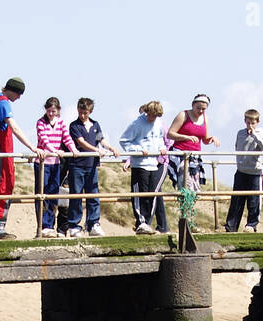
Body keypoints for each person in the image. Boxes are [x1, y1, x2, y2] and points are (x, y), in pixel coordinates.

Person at [0, 77, 49, 240]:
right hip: (0, 153)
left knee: (2, 187)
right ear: (12, 90)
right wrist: (32, 147)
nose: (19, 98)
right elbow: (14, 127)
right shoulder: (3, 103)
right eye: (18, 93)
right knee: (2, 187)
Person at [65, 97, 122, 238]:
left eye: (85, 112)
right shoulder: (74, 126)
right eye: (80, 112)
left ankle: (93, 224)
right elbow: (81, 143)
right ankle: (74, 225)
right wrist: (96, 150)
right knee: (76, 196)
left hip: (91, 165)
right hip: (77, 165)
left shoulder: (95, 124)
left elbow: (101, 140)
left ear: (90, 112)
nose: (82, 115)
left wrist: (111, 148)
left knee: (94, 195)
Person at [119, 100, 169, 234]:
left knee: (152, 194)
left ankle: (147, 223)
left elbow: (160, 139)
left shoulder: (158, 123)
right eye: (151, 115)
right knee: (140, 193)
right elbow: (124, 140)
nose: (153, 119)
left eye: (155, 116)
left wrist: (162, 148)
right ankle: (141, 222)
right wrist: (138, 149)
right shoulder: (137, 124)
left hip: (154, 163)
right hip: (140, 164)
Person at [165, 93, 220, 202]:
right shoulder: (183, 115)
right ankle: (185, 211)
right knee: (186, 184)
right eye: (198, 108)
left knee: (195, 187)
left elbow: (204, 139)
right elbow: (170, 134)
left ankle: (188, 212)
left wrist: (211, 139)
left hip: (195, 157)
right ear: (193, 105)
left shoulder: (205, 118)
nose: (200, 111)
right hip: (180, 154)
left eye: (203, 109)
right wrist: (186, 137)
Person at [33, 98, 73, 236]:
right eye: (49, 111)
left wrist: (73, 150)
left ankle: (50, 224)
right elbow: (44, 140)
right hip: (43, 163)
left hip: (55, 163)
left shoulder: (61, 123)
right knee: (42, 194)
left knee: (53, 194)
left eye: (53, 111)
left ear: (58, 111)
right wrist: (54, 151)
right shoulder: (41, 122)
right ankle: (43, 225)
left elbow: (66, 138)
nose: (51, 113)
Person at [225, 109, 263, 232]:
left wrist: (255, 135)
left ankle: (252, 224)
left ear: (257, 122)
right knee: (237, 200)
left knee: (254, 200)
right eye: (248, 122)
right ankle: (231, 226)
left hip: (254, 172)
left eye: (252, 123)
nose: (250, 125)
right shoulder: (240, 133)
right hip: (241, 170)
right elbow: (237, 146)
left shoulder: (261, 133)